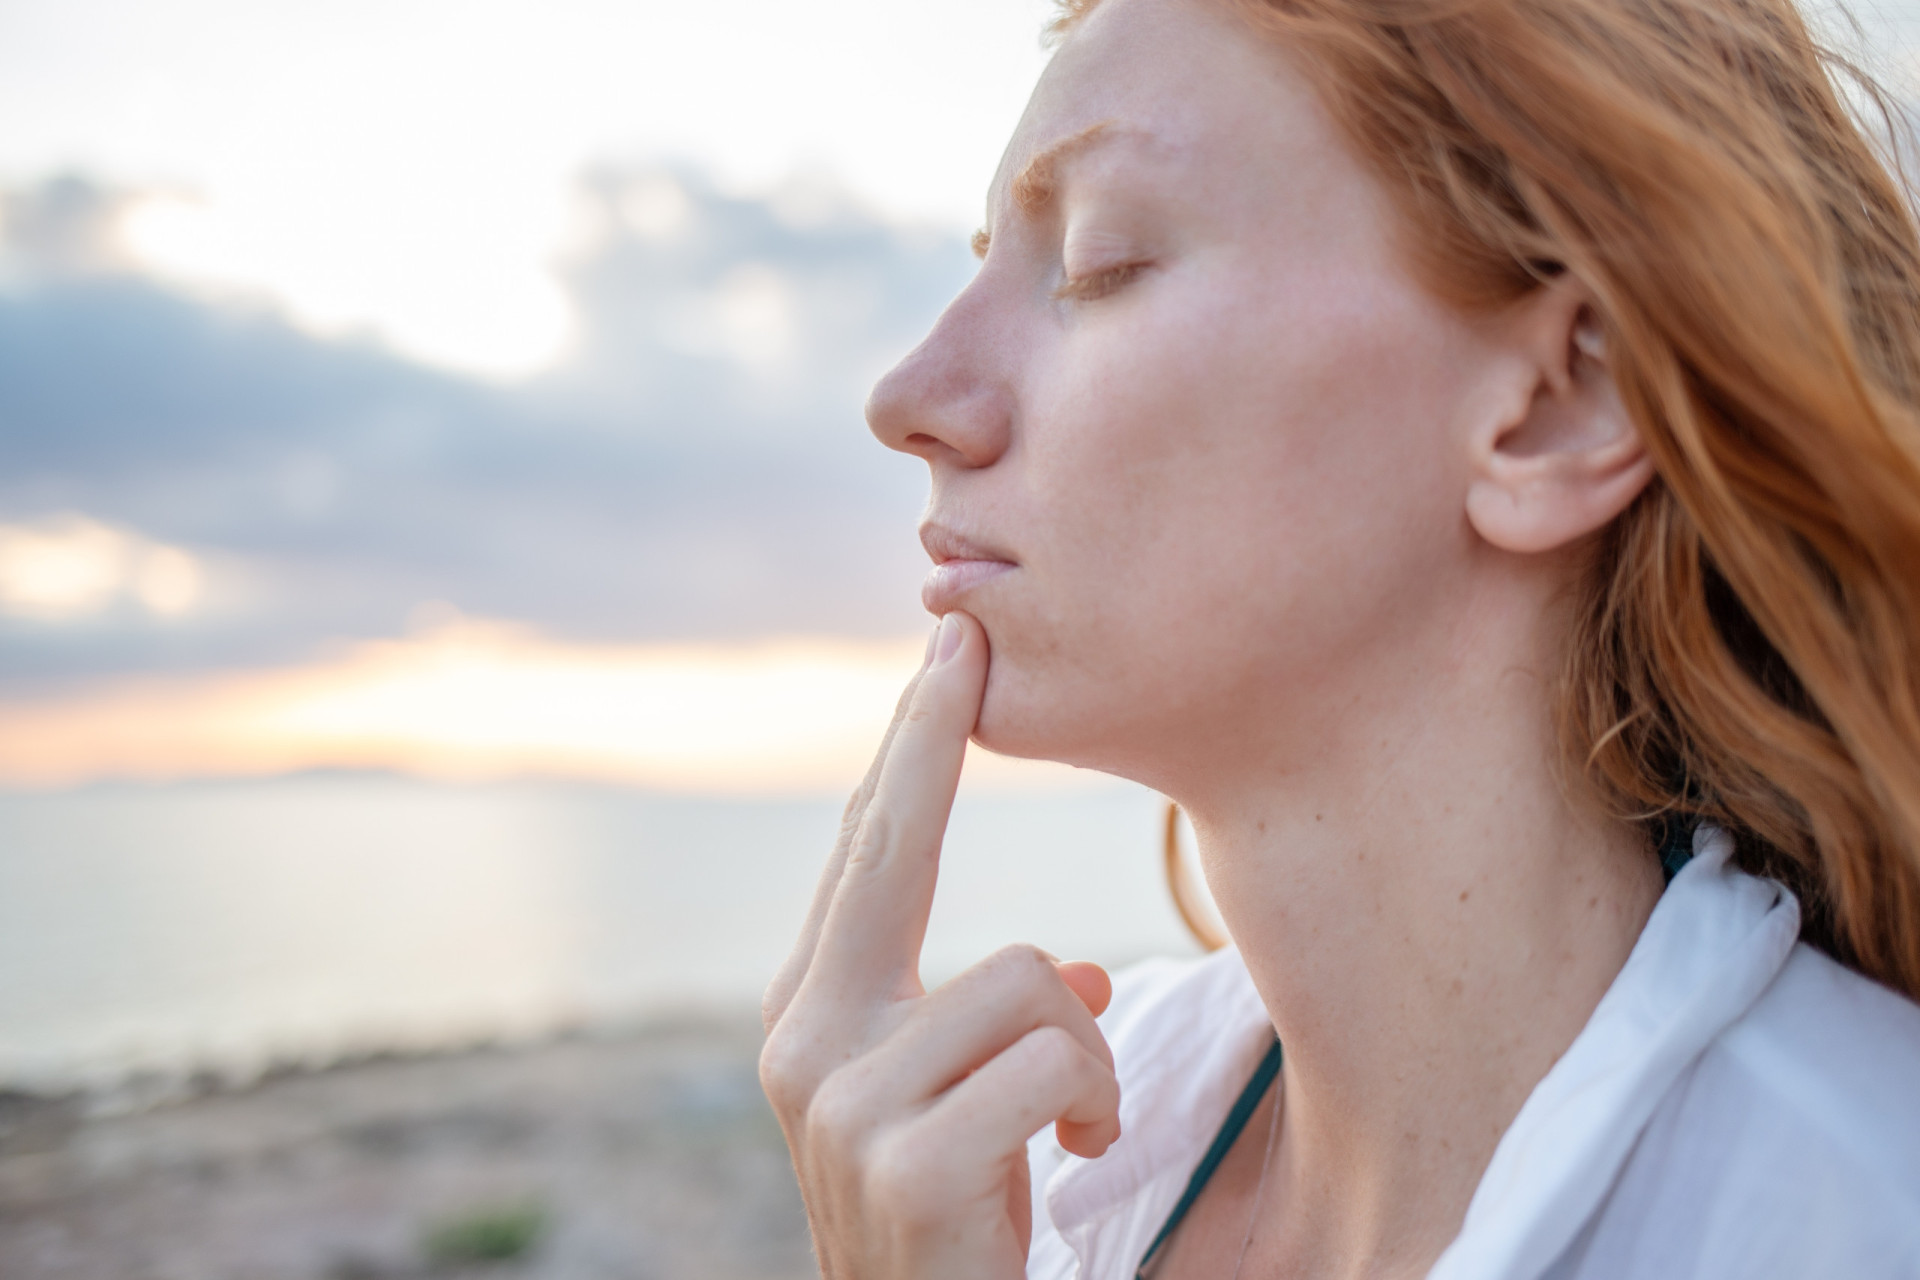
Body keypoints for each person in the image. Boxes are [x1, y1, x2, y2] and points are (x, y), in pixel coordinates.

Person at [757, 0, 1920, 1274]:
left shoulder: (1862, 1207)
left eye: (1099, 259)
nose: (909, 398)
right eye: (981, 262)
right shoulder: (1025, 1168)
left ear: (1554, 405)